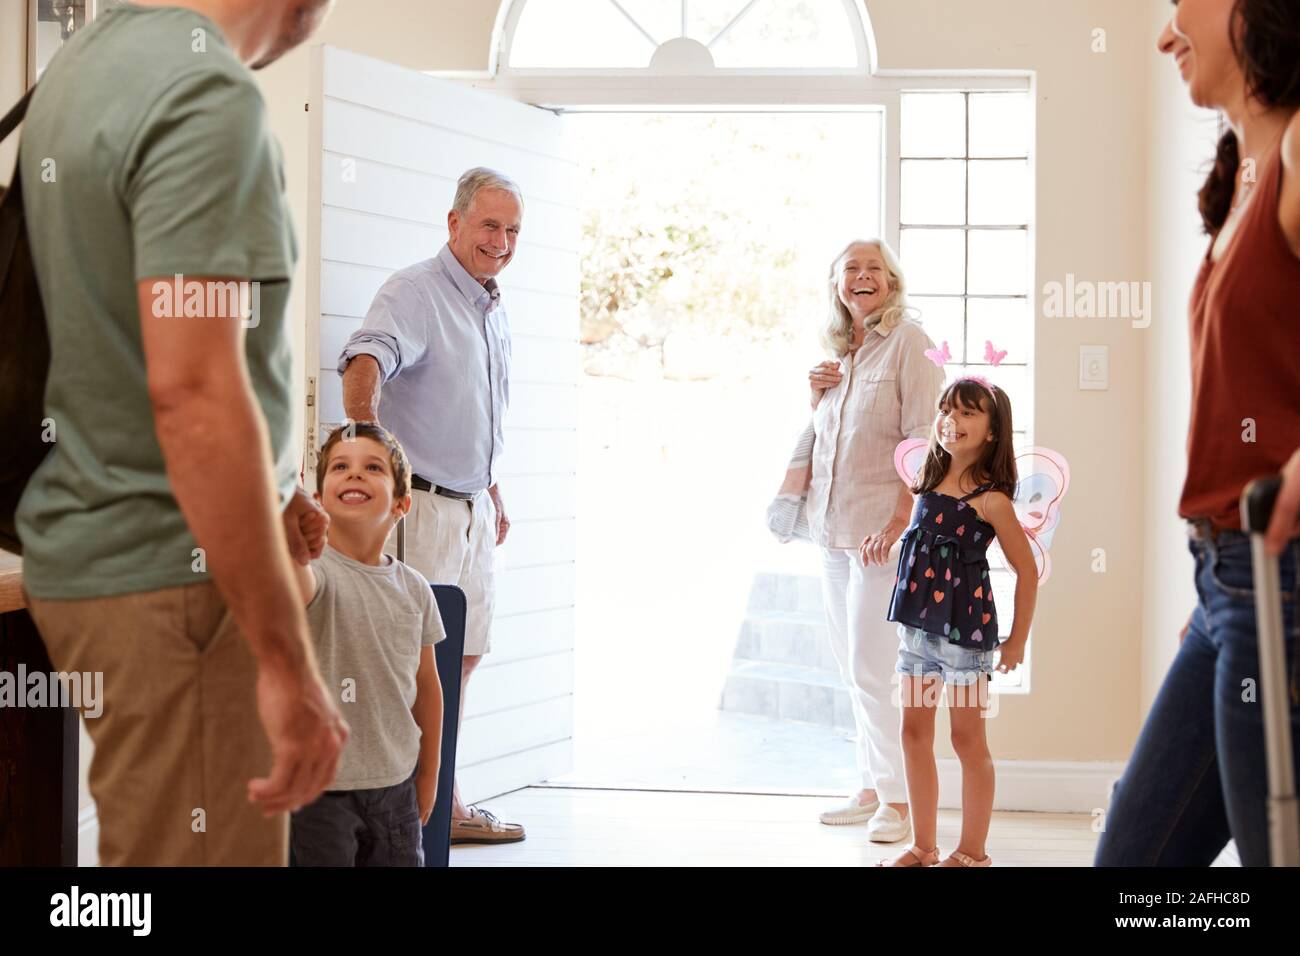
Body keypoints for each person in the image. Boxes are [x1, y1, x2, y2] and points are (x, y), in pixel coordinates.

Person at [17, 0, 347, 866]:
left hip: (100, 551)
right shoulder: (208, 93)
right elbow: (194, 393)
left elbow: (118, 344)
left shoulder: (92, 59)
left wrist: (269, 483)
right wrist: (286, 662)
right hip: (175, 580)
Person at [1096, 0, 1300, 867]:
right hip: (1228, 586)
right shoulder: (1245, 176)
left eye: (1183, 3)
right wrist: (1213, 590)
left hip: (1280, 576)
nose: (1164, 33)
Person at [339, 167, 526, 845]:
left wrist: (492, 485)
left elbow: (473, 409)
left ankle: (438, 801)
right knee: (408, 662)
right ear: (454, 223)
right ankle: (396, 821)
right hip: (420, 509)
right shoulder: (415, 291)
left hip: (472, 505)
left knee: (463, 656)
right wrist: (366, 439)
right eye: (488, 226)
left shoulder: (488, 302)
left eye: (511, 230)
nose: (500, 241)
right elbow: (366, 359)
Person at [806, 239, 945, 841]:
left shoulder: (911, 342)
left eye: (874, 269)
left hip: (882, 535)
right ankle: (871, 784)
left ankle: (899, 801)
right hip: (833, 529)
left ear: (892, 282)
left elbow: (926, 438)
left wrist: (898, 522)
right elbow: (834, 439)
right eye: (850, 270)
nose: (862, 278)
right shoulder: (841, 351)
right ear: (836, 284)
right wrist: (816, 396)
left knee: (874, 666)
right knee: (850, 664)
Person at [874, 378, 1037, 867]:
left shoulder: (992, 501)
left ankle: (972, 852)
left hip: (965, 641)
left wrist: (1016, 643)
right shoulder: (924, 483)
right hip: (917, 636)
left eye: (968, 413)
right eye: (947, 410)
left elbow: (1026, 571)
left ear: (992, 431)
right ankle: (923, 847)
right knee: (912, 734)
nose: (953, 420)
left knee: (967, 740)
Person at [289, 423, 445, 867]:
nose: (354, 474)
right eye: (340, 467)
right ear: (319, 499)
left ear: (401, 503)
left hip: (396, 786)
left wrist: (429, 774)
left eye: (372, 467)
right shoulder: (314, 571)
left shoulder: (415, 590)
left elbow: (427, 687)